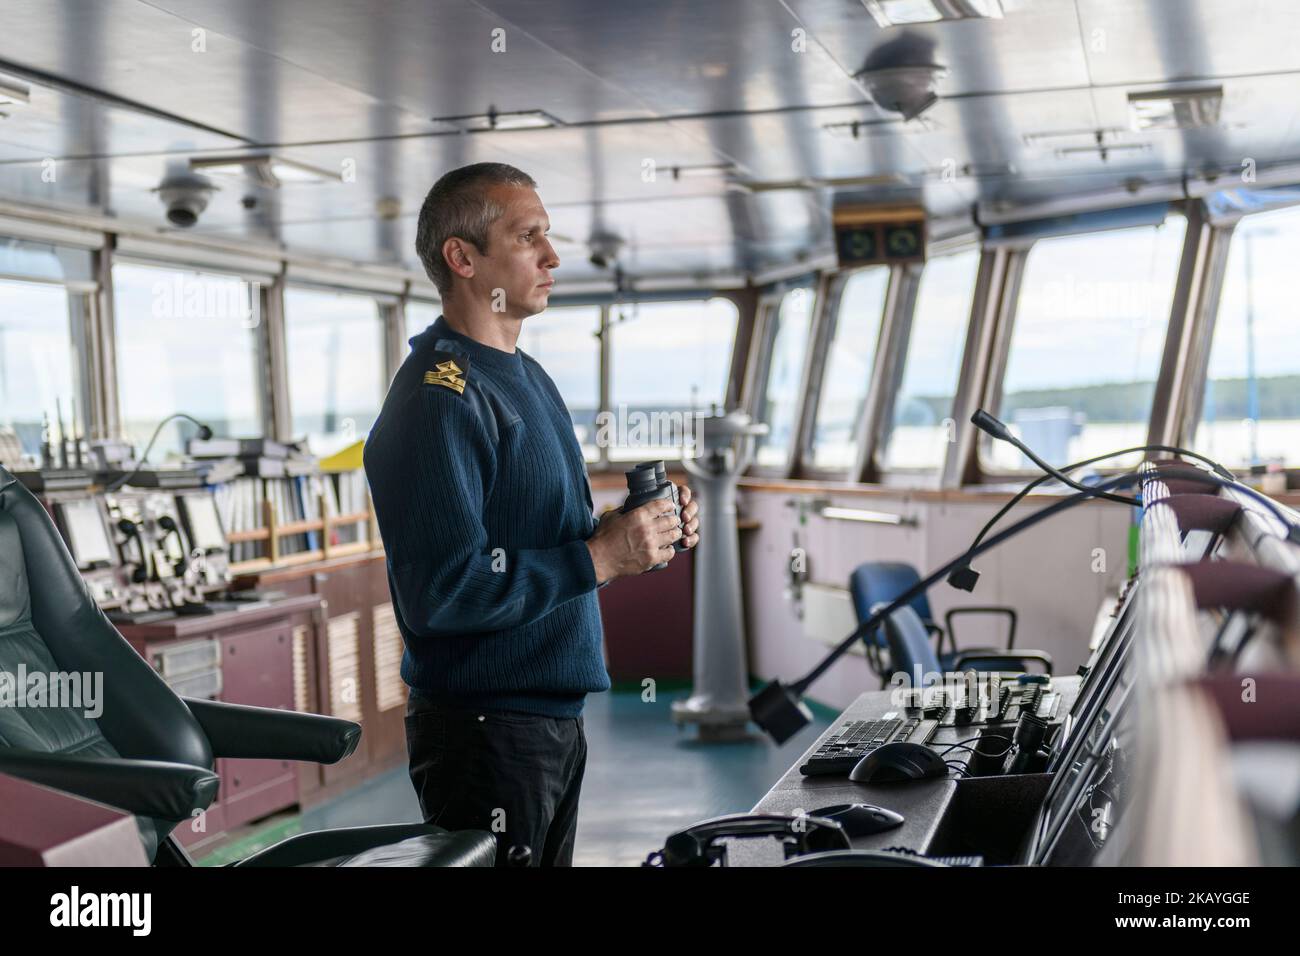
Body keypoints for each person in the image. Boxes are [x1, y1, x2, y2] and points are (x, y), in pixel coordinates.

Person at [363, 162, 700, 866]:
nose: (551, 256)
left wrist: (633, 533)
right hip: (485, 733)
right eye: (528, 237)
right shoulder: (439, 399)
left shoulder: (523, 374)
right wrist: (601, 556)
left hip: (549, 719)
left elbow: (542, 538)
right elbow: (442, 594)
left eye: (548, 236)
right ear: (463, 258)